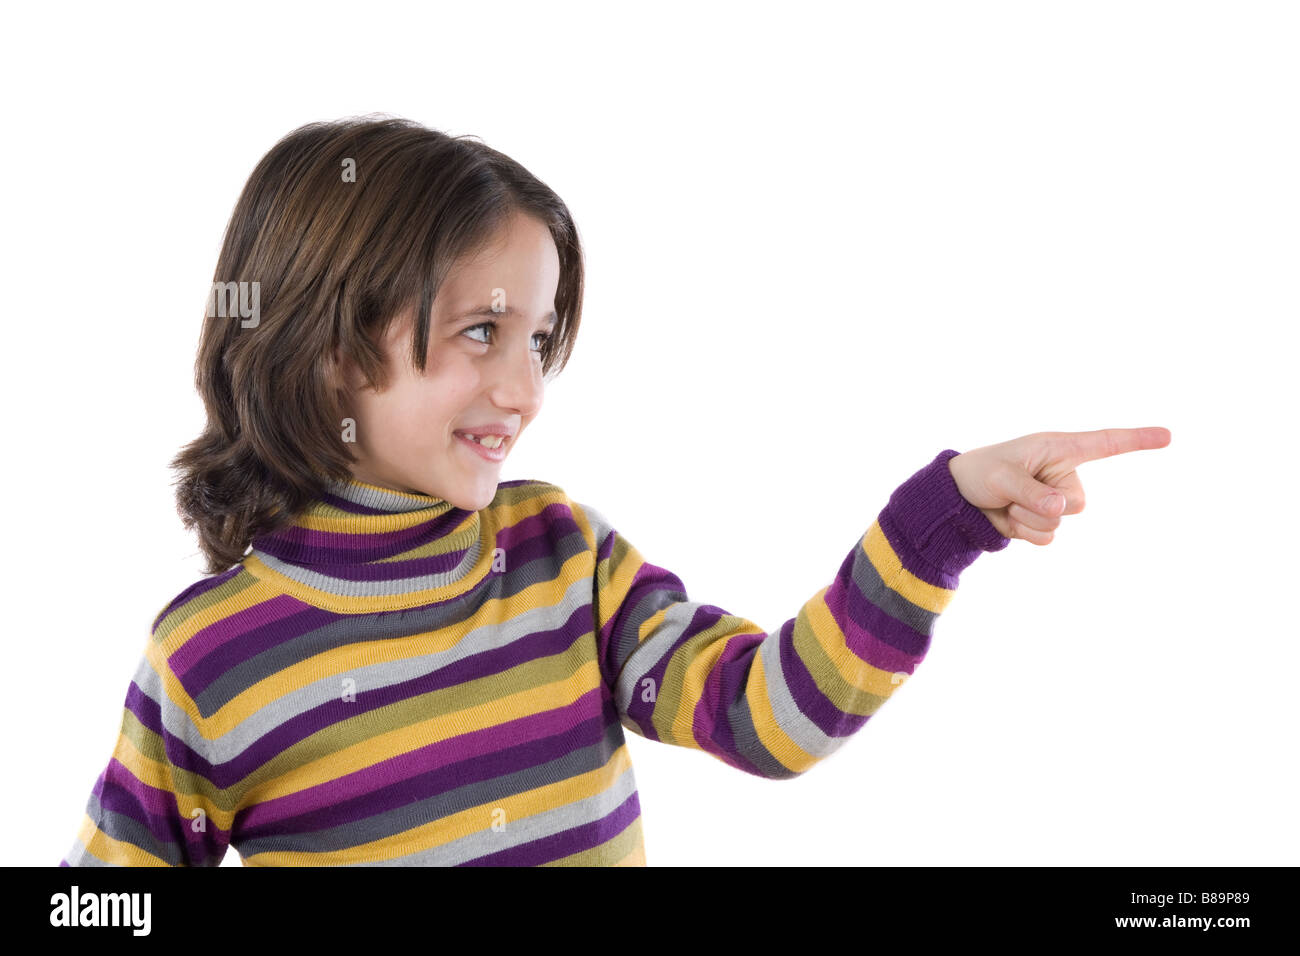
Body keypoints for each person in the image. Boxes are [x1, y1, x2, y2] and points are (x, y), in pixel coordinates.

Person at [59, 115, 1171, 867]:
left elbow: (770, 715)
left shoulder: (563, 557)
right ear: (330, 347)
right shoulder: (210, 663)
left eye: (540, 337)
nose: (525, 387)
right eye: (482, 331)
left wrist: (941, 518)